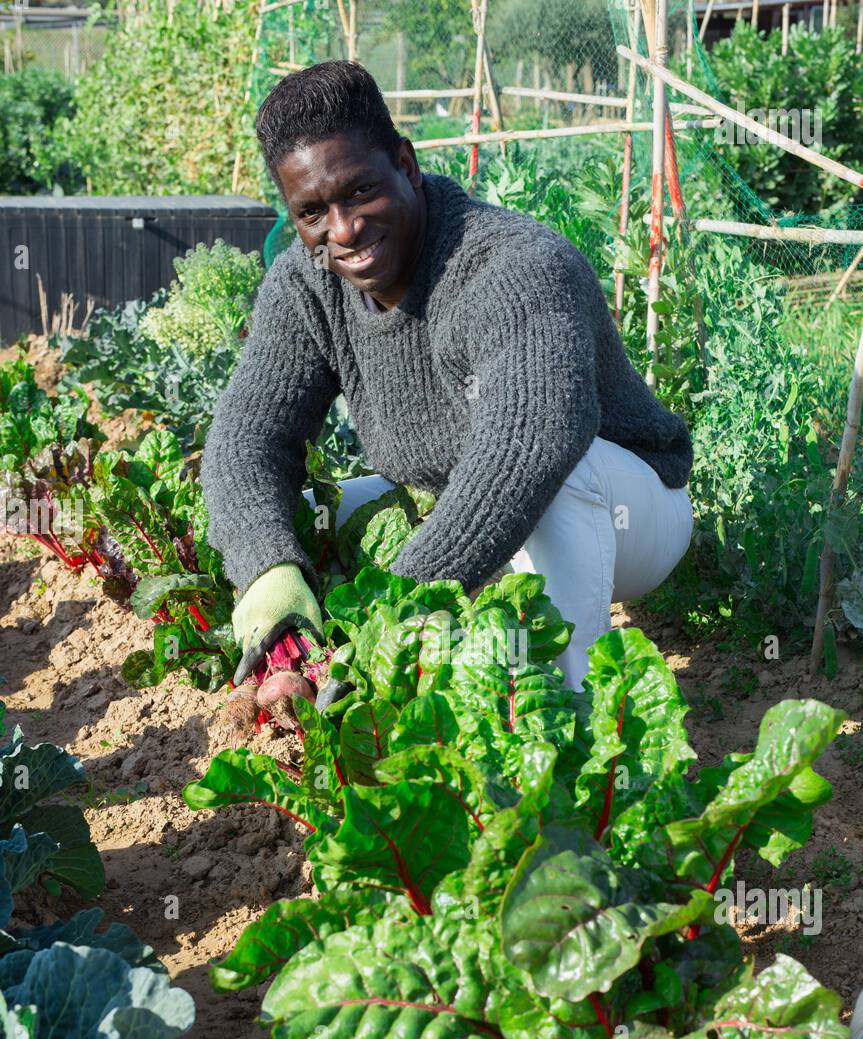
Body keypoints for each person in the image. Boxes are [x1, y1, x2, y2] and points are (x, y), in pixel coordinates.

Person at [202, 60, 694, 692]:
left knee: (556, 477)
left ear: (406, 165)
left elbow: (529, 447)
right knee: (276, 520)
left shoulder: (514, 267)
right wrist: (268, 570)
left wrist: (395, 616)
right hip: (458, 507)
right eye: (313, 212)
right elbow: (245, 439)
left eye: (358, 192)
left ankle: (566, 730)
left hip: (628, 512)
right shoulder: (307, 281)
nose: (344, 230)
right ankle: (322, 680)